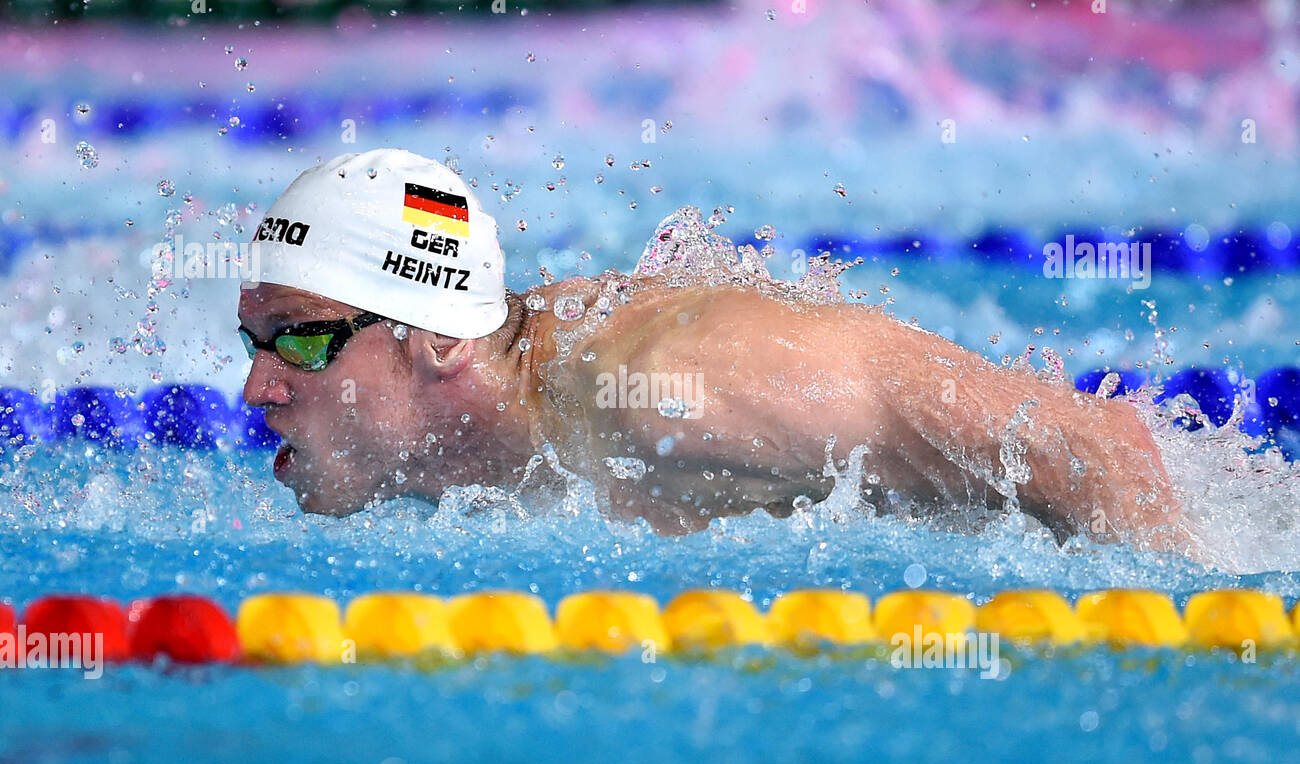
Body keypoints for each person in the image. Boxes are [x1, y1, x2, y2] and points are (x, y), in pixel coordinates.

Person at [238, 148, 1185, 551]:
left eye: (302, 340)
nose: (253, 387)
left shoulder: (667, 391)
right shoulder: (468, 468)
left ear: (438, 337)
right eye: (253, 342)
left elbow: (1098, 450)